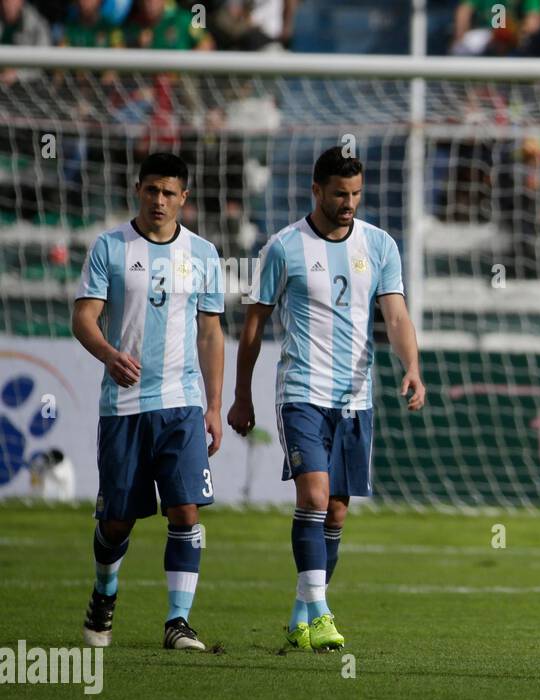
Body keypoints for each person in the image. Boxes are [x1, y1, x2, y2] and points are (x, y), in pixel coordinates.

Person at [226, 147, 426, 652]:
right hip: (302, 393)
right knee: (313, 497)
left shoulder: (379, 246)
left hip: (356, 397)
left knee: (336, 511)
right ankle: (321, 614)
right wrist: (241, 396)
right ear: (316, 190)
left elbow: (396, 316)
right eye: (340, 193)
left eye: (356, 194)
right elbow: (254, 327)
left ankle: (301, 612)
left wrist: (412, 367)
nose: (349, 203)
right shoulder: (284, 247)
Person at [71, 152, 225, 652]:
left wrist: (215, 405)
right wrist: (109, 354)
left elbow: (210, 333)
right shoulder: (110, 247)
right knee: (117, 521)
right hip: (125, 407)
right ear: (138, 190)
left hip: (181, 405)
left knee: (186, 512)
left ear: (184, 198)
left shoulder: (203, 253)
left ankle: (177, 622)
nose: (159, 200)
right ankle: (104, 592)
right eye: (151, 190)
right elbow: (84, 318)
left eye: (168, 192)